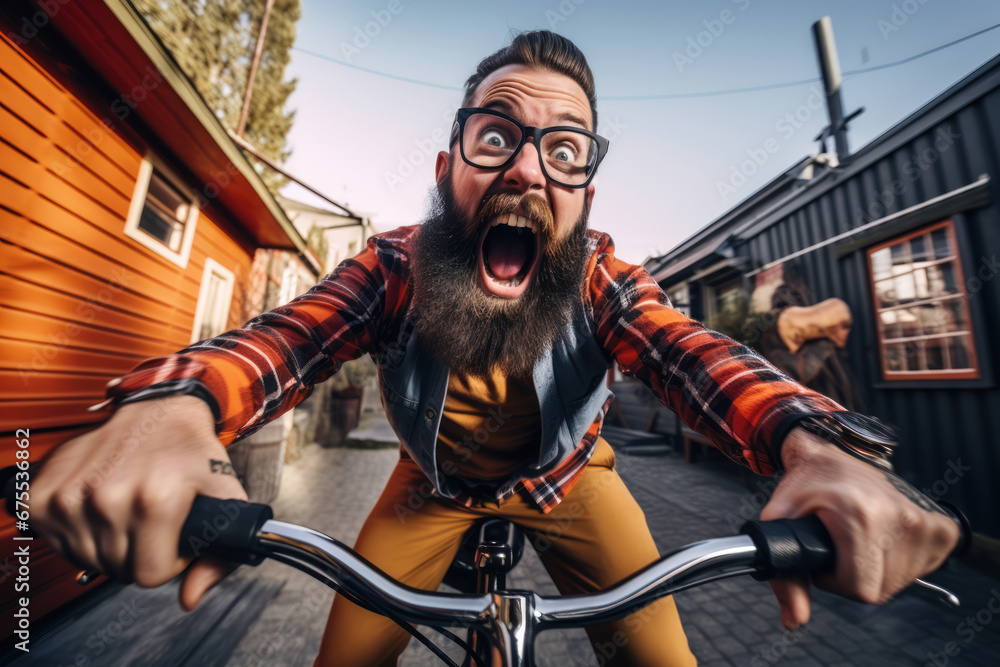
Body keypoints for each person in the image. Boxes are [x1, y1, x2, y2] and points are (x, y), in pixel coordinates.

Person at [30, 30, 959, 666]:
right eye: (496, 135)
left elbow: (688, 352)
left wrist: (818, 442)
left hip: (573, 483)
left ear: (585, 196)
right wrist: (174, 403)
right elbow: (292, 334)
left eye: (565, 151)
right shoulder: (395, 264)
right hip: (427, 487)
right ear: (449, 170)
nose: (525, 167)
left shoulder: (601, 278)